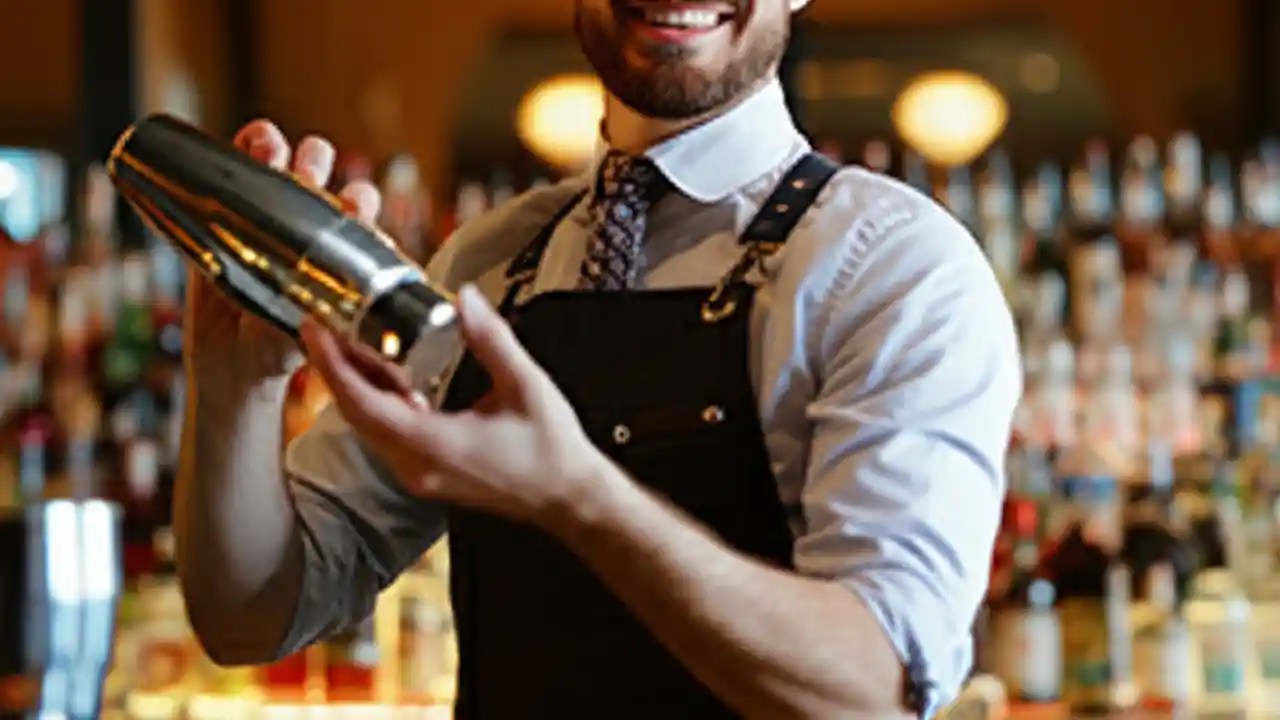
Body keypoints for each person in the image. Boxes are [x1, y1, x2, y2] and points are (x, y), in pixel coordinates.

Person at [174, 0, 1022, 717]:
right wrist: (235, 382)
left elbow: (874, 689)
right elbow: (250, 617)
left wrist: (579, 495)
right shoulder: (488, 263)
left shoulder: (891, 267)